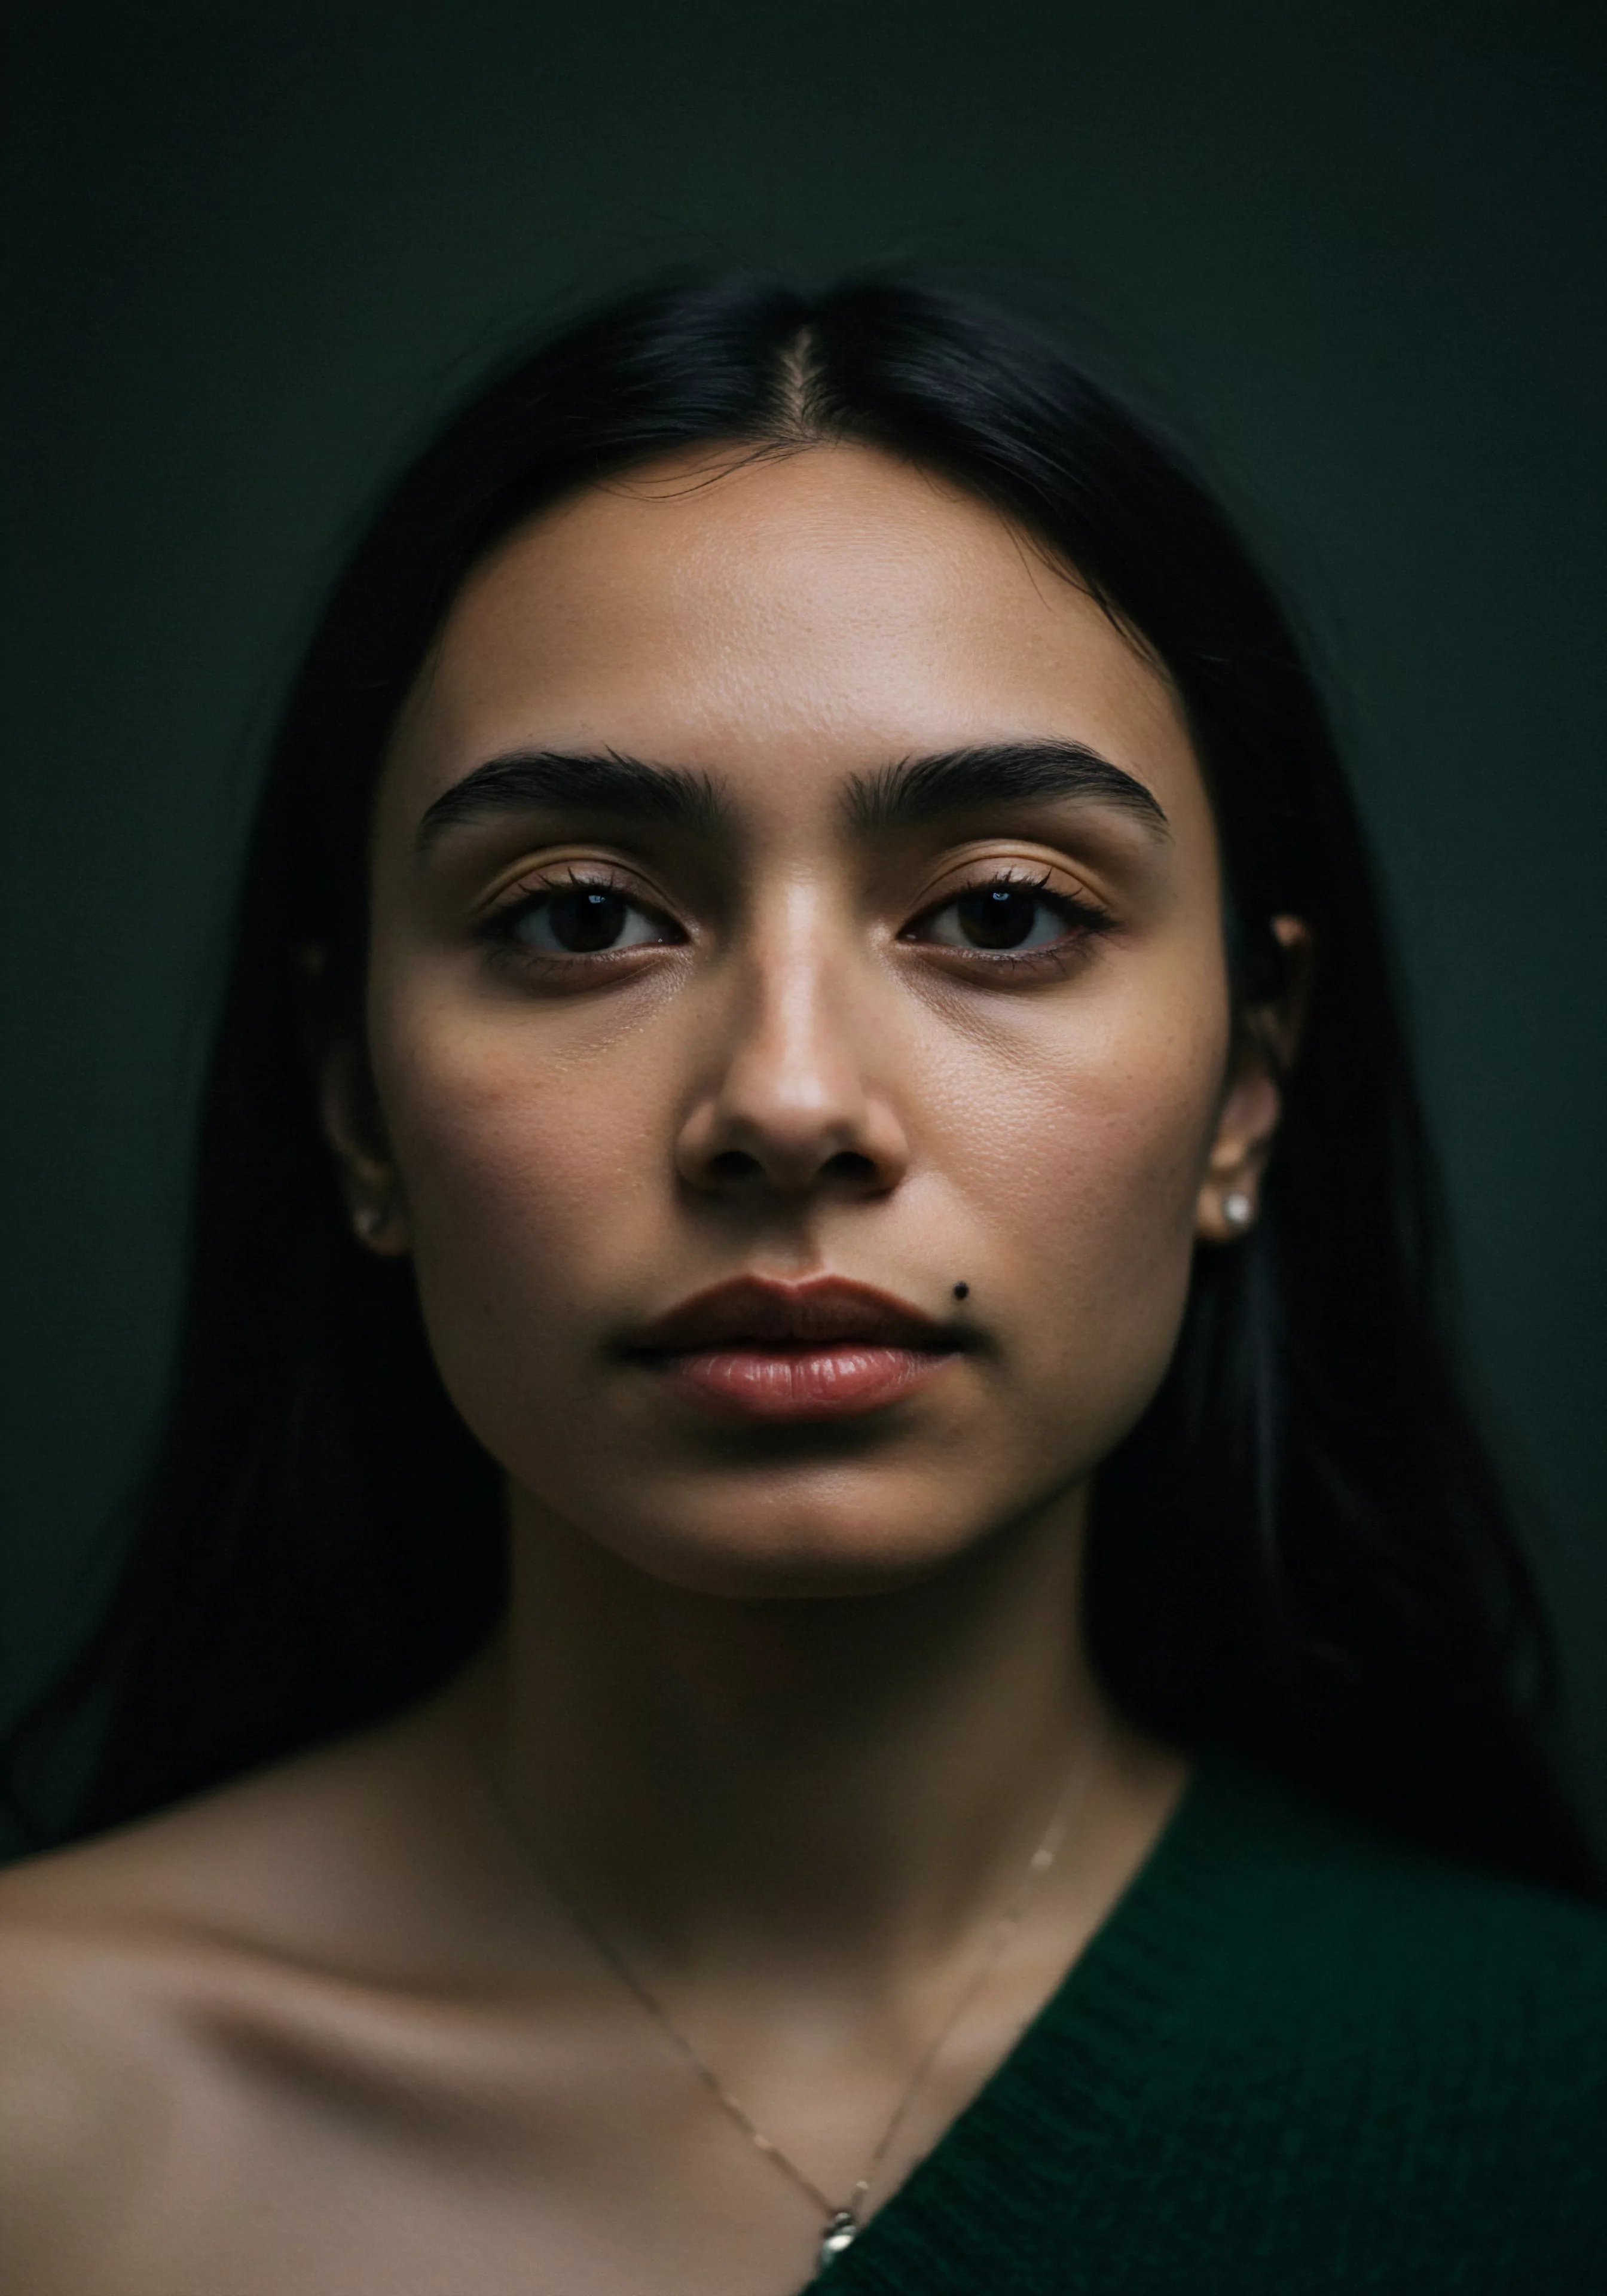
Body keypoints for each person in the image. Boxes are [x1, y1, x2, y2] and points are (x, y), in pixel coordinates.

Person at [0, 274, 1602, 2296]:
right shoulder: (37, 2122)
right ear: (357, 1105)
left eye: (1003, 913)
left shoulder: (1546, 2112)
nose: (787, 1100)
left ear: (1247, 1086)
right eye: (582, 917)